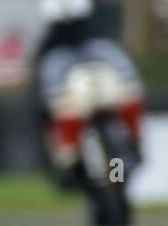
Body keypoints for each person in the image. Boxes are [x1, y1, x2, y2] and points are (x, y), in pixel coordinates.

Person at [34, 0, 142, 181]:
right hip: (68, 74)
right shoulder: (54, 58)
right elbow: (47, 98)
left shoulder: (102, 47)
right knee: (59, 102)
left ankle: (133, 142)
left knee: (128, 91)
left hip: (96, 67)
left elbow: (129, 81)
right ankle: (69, 156)